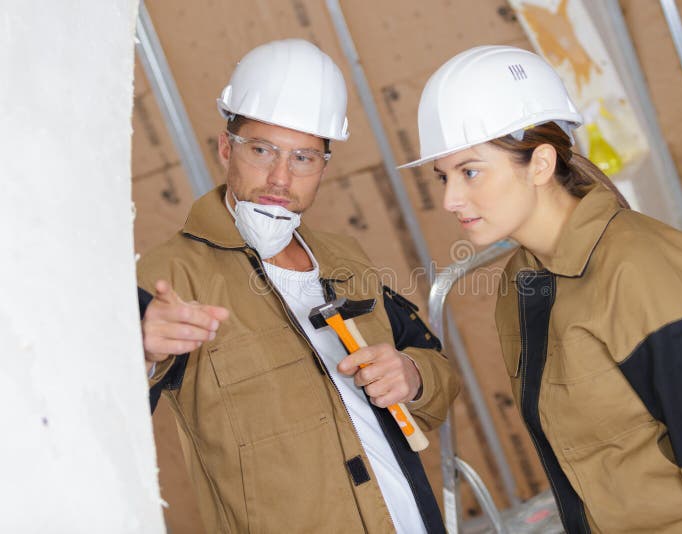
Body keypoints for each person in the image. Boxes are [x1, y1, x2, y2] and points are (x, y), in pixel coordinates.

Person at [401, 44, 682, 533]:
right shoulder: (522, 284)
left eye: (470, 172)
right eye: (443, 176)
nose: (450, 199)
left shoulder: (642, 267)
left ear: (540, 164)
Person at [138, 39, 458, 533]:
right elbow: (100, 410)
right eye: (262, 150)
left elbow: (433, 362)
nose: (280, 179)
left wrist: (411, 374)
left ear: (324, 166)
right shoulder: (170, 279)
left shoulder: (344, 257)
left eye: (304, 158)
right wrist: (137, 350)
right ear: (227, 148)